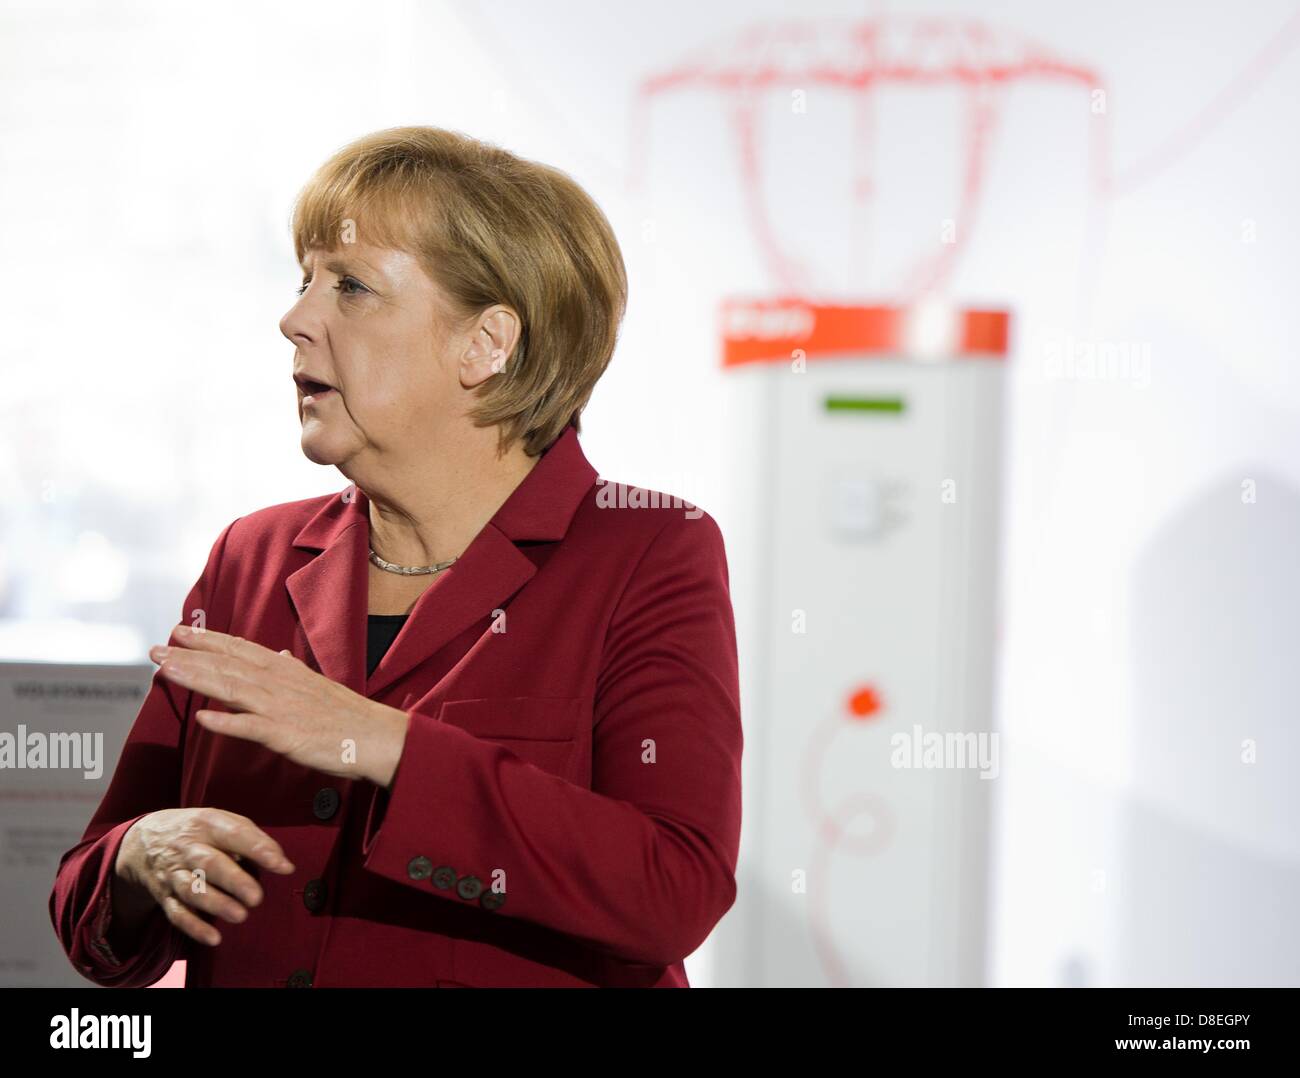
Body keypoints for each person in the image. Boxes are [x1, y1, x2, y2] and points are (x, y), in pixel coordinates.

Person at [48, 126, 742, 988]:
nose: (295, 319)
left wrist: (383, 745)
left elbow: (673, 889)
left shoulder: (648, 551)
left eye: (351, 287)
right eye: (304, 281)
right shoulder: (251, 556)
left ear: (485, 344)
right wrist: (136, 859)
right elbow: (86, 905)